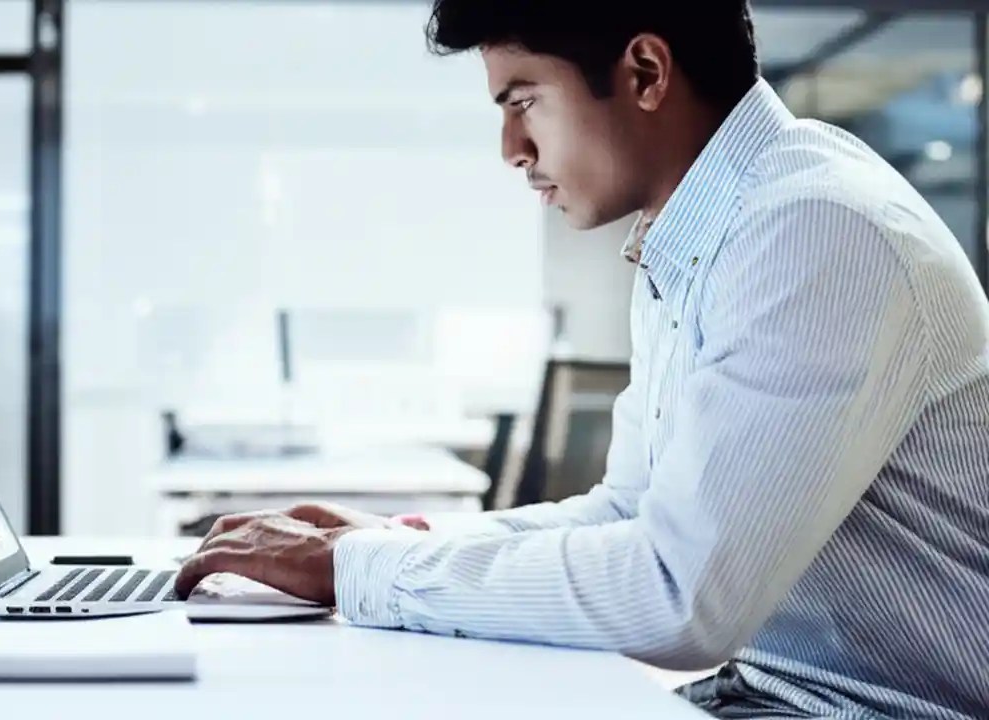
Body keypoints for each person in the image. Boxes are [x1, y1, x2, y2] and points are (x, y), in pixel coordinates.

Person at [174, 1, 989, 717]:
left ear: (644, 71)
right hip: (770, 694)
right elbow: (626, 515)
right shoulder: (699, 236)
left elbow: (677, 595)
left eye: (524, 100)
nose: (511, 148)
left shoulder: (812, 228)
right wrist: (396, 543)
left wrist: (356, 568)